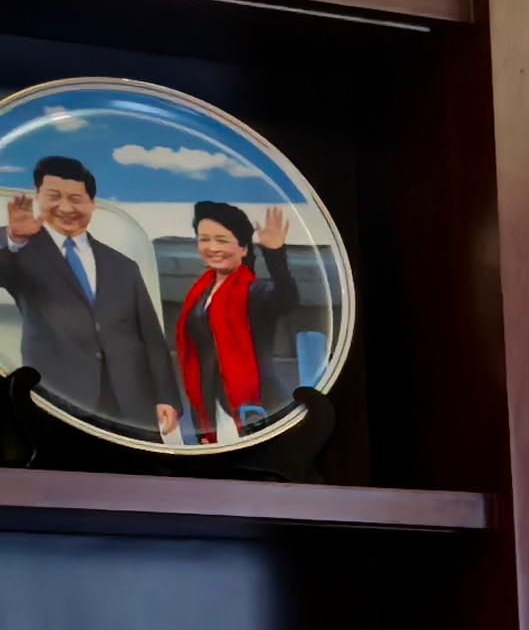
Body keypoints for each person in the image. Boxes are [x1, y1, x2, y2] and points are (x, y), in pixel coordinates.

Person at [0, 155, 178, 439]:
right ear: (38, 196)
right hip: (59, 402)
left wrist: (166, 397)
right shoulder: (20, 250)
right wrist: (14, 240)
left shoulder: (123, 265)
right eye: (54, 196)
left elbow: (151, 338)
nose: (66, 207)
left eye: (76, 198)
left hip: (132, 406)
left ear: (92, 203)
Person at [168, 199, 307, 445]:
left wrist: (275, 255)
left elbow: (286, 300)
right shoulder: (200, 293)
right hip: (210, 407)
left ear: (243, 248)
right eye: (204, 239)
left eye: (222, 240)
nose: (212, 247)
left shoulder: (254, 292)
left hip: (256, 406)